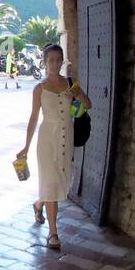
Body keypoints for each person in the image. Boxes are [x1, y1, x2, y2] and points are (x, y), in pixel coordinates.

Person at [15, 44, 92, 249]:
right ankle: (53, 233)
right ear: (44, 61)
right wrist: (26, 146)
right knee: (50, 182)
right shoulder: (39, 88)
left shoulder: (71, 83)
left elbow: (88, 105)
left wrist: (78, 94)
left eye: (59, 59)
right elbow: (33, 119)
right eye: (51, 60)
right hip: (47, 138)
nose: (55, 64)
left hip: (66, 136)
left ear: (62, 60)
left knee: (61, 183)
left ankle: (39, 203)